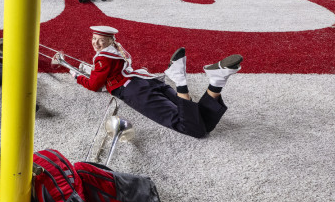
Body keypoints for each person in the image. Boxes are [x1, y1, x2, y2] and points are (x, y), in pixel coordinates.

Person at [54, 26, 242, 138]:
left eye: (100, 40)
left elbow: (94, 85)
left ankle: (179, 78)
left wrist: (73, 73)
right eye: (94, 39)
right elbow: (104, 71)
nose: (96, 43)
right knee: (200, 121)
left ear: (110, 41)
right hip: (147, 80)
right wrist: (86, 69)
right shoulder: (116, 48)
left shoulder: (102, 58)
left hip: (134, 91)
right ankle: (217, 80)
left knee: (189, 127)